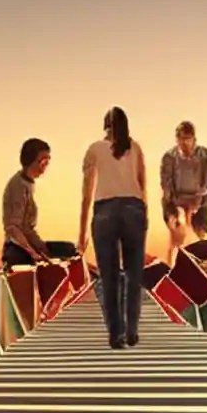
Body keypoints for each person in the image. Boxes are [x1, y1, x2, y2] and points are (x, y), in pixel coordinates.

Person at [78, 107, 148, 349]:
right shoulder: (135, 148)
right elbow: (142, 183)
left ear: (105, 125)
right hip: (134, 207)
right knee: (134, 275)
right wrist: (143, 212)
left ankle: (115, 334)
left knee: (109, 277)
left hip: (105, 210)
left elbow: (86, 193)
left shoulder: (94, 149)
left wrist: (82, 231)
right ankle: (132, 331)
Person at [1, 138, 78, 266]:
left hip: (30, 244)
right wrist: (33, 253)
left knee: (69, 250)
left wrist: (42, 248)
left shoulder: (29, 184)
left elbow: (29, 229)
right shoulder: (17, 185)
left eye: (48, 162)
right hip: (17, 248)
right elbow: (13, 228)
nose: (45, 167)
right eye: (43, 161)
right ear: (30, 160)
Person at [160, 121, 207, 266]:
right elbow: (166, 187)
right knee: (176, 235)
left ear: (194, 140)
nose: (184, 142)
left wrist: (196, 204)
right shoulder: (169, 157)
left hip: (199, 199)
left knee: (200, 237)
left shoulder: (206, 157)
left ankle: (201, 267)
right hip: (174, 200)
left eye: (187, 139)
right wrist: (177, 211)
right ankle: (171, 267)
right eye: (181, 139)